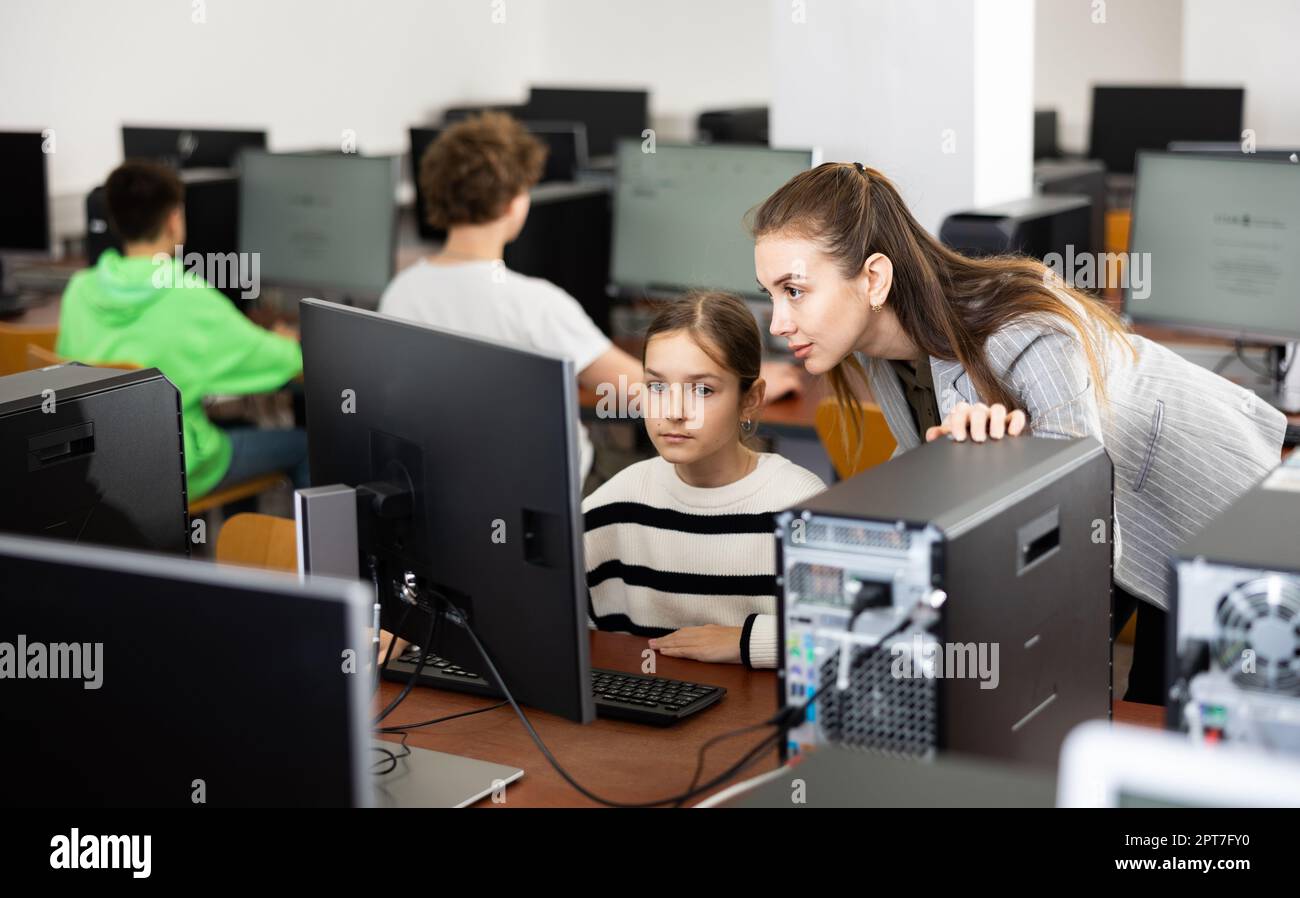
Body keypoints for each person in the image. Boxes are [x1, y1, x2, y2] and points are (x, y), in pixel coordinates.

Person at [751, 161, 1287, 703]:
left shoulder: (1023, 332)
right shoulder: (883, 351)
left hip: (1207, 515)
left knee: (1164, 725)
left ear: (873, 280)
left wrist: (993, 469)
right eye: (771, 294)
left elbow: (1080, 529)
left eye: (794, 291)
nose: (777, 322)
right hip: (1121, 525)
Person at [379, 111, 801, 491]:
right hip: (560, 488)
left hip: (457, 491)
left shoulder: (400, 292)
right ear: (515, 203)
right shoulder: (532, 304)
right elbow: (642, 391)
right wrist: (743, 379)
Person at [582, 291, 825, 668]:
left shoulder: (800, 507)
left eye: (702, 390)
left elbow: (852, 645)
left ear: (750, 399)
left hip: (753, 720)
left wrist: (747, 642)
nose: (675, 412)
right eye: (657, 387)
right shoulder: (614, 505)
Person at [57, 161, 306, 499]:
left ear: (116, 222)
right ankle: (277, 547)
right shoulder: (188, 296)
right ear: (175, 219)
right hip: (176, 468)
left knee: (233, 424)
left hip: (99, 465)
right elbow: (284, 363)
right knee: (307, 444)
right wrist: (288, 343)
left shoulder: (80, 290)